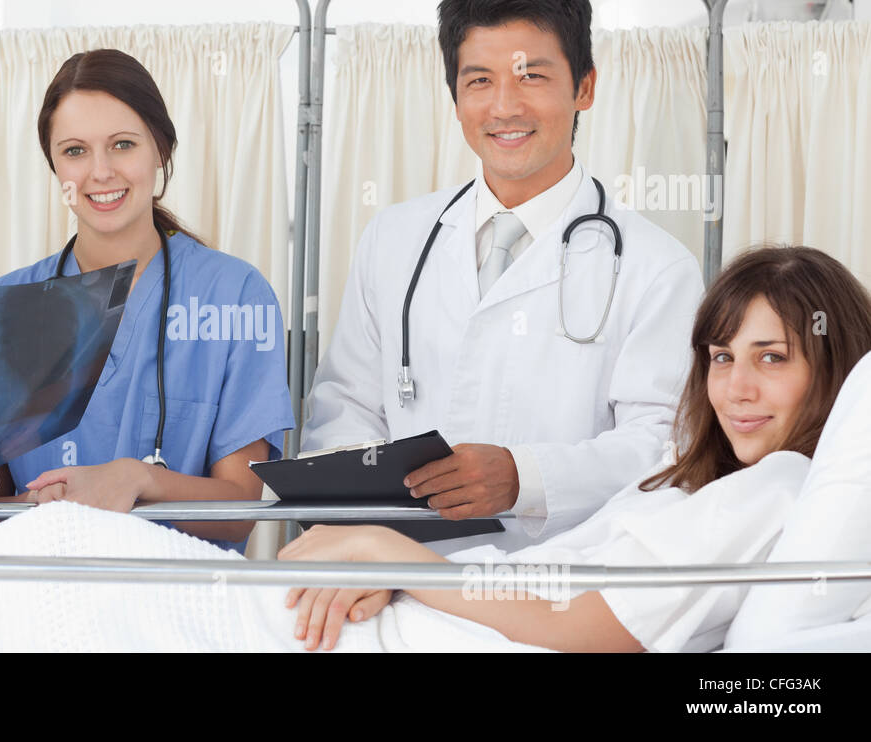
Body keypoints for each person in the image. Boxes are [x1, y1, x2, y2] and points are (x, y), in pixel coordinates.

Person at [281, 246, 871, 651]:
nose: (737, 389)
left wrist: (389, 551)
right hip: (431, 617)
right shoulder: (695, 480)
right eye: (722, 357)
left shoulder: (780, 485)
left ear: (834, 364)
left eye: (772, 357)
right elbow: (548, 585)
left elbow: (586, 628)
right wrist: (400, 576)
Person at [301, 0, 703, 555]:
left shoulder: (657, 267)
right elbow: (345, 411)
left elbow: (665, 449)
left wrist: (525, 476)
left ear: (584, 87)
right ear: (456, 96)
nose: (504, 107)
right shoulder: (393, 240)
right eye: (480, 81)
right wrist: (360, 541)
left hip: (562, 590)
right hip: (400, 578)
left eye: (531, 76)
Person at [0, 49, 294, 552]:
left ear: (160, 149)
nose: (101, 171)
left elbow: (239, 511)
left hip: (180, 603)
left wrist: (138, 481)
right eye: (75, 151)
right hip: (39, 593)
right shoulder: (4, 308)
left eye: (123, 144)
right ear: (53, 164)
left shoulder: (236, 298)